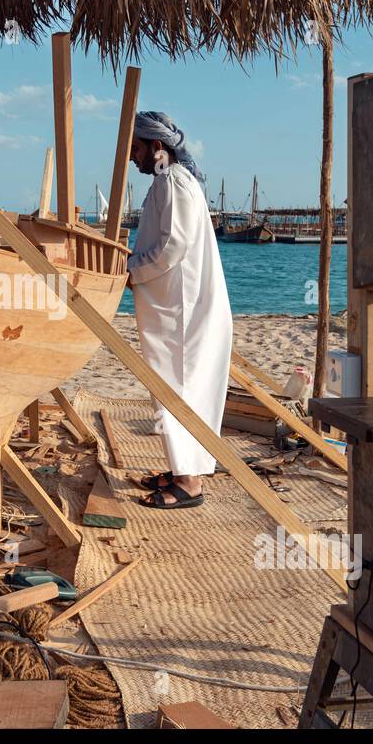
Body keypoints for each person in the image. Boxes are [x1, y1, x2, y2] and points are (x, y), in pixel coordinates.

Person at [126, 111, 232, 509]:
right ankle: (181, 469)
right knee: (175, 387)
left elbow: (174, 246)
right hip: (176, 307)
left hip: (184, 310)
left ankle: (189, 484)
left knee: (179, 388)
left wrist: (132, 271)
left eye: (136, 148)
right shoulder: (167, 182)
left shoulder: (174, 181)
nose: (132, 158)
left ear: (156, 146)